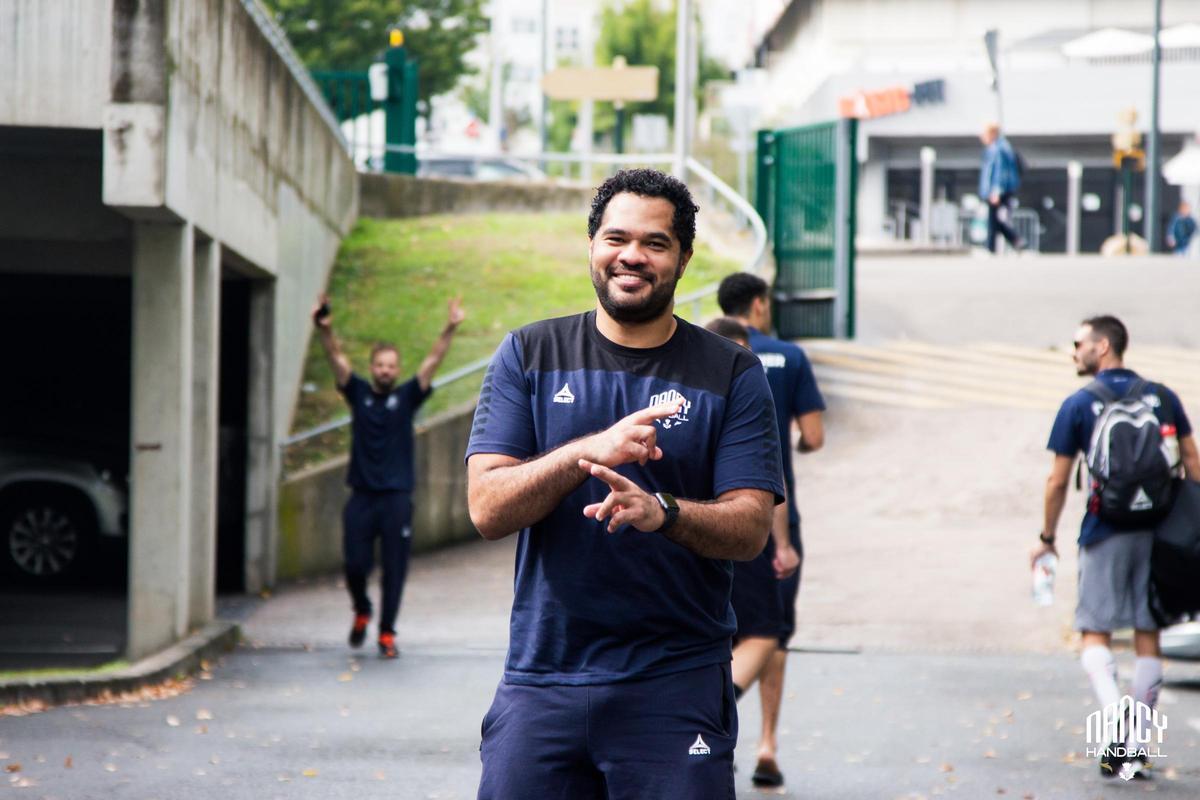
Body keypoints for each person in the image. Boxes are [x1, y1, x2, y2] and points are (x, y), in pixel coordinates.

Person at [466, 168, 785, 799]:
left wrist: (663, 512)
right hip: (543, 679)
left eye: (654, 243)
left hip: (676, 684)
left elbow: (750, 527)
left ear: (683, 259)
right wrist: (585, 452)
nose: (631, 255)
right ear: (592, 246)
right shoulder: (529, 354)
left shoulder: (732, 372)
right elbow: (487, 507)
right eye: (616, 238)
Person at [1033, 315, 1199, 780]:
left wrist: (1047, 538)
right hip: (1160, 533)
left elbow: (1057, 481)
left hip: (1104, 530)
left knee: (1095, 631)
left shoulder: (1079, 404)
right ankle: (1135, 746)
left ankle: (1116, 730)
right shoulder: (1162, 397)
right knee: (1149, 635)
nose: (1074, 351)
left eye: (1079, 343)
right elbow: (1191, 460)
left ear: (1102, 346)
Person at [717, 272, 826, 788]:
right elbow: (813, 437)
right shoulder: (789, 356)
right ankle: (765, 744)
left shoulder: (700, 352)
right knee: (771, 631)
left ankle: (712, 741)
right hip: (769, 512)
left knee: (721, 626)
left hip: (700, 517)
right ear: (759, 305)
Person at [313, 293, 465, 658]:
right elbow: (336, 359)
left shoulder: (407, 397)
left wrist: (450, 327)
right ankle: (362, 608)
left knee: (395, 569)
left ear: (397, 370)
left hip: (397, 498)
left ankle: (386, 633)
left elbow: (432, 361)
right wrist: (325, 331)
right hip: (361, 497)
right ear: (372, 367)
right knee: (354, 565)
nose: (385, 370)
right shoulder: (358, 393)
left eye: (391, 366)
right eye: (380, 365)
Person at [702, 317, 800, 710]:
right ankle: (711, 707)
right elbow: (769, 483)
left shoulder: (679, 393)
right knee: (763, 635)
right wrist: (784, 545)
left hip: (685, 535)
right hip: (738, 535)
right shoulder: (745, 398)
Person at [978, 122, 1024, 254]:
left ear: (992, 134)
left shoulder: (997, 149)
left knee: (993, 219)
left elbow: (999, 172)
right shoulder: (1002, 147)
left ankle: (992, 247)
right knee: (996, 219)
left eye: (984, 134)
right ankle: (1015, 240)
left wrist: (995, 191)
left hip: (997, 191)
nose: (982, 137)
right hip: (1001, 190)